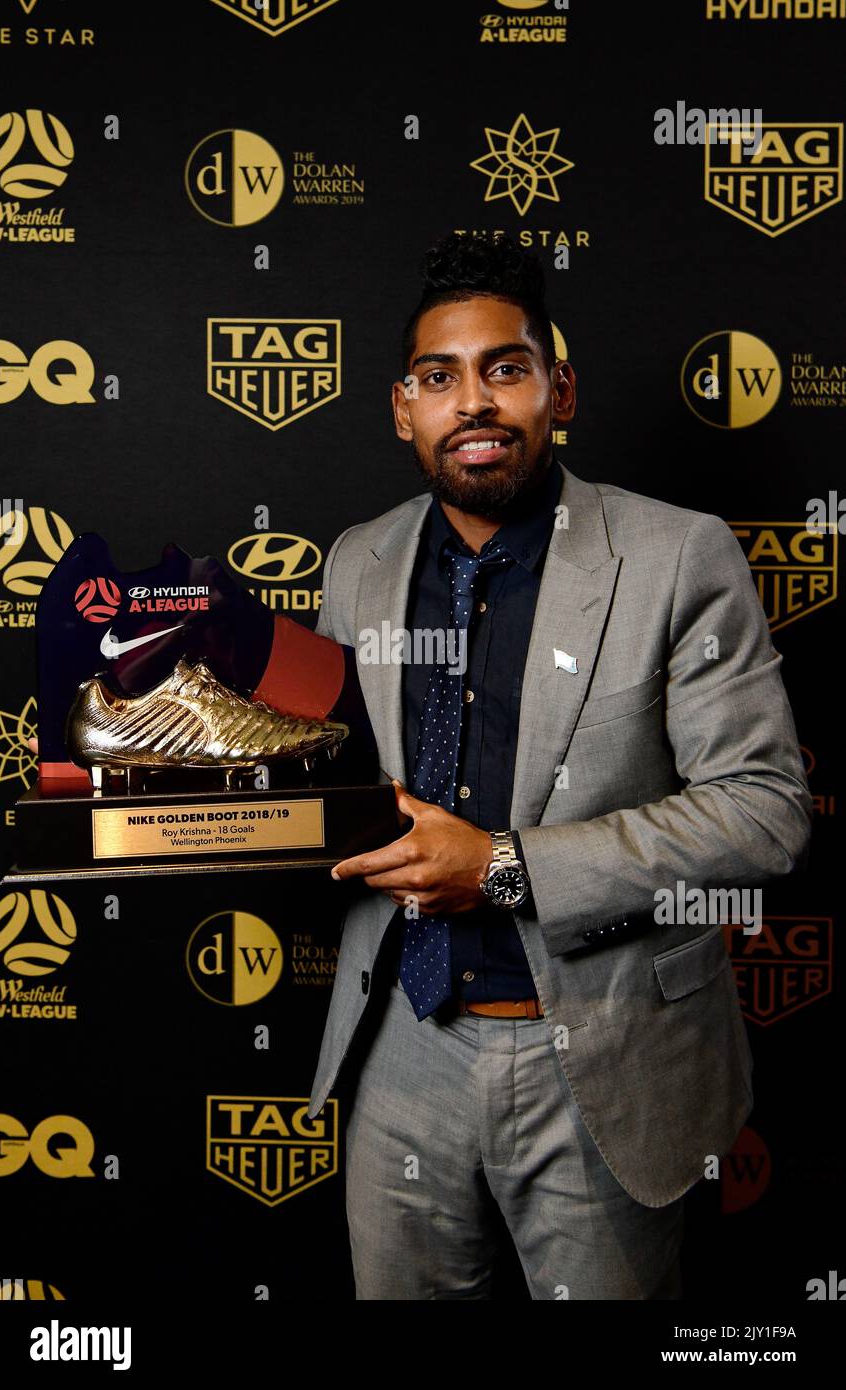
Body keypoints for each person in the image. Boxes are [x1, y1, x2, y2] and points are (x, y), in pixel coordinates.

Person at [327, 227, 813, 1299]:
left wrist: (502, 866)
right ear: (402, 407)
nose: (475, 402)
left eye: (506, 368)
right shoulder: (355, 564)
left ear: (559, 392)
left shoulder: (675, 554)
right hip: (399, 1047)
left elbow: (765, 810)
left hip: (598, 1050)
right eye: (438, 377)